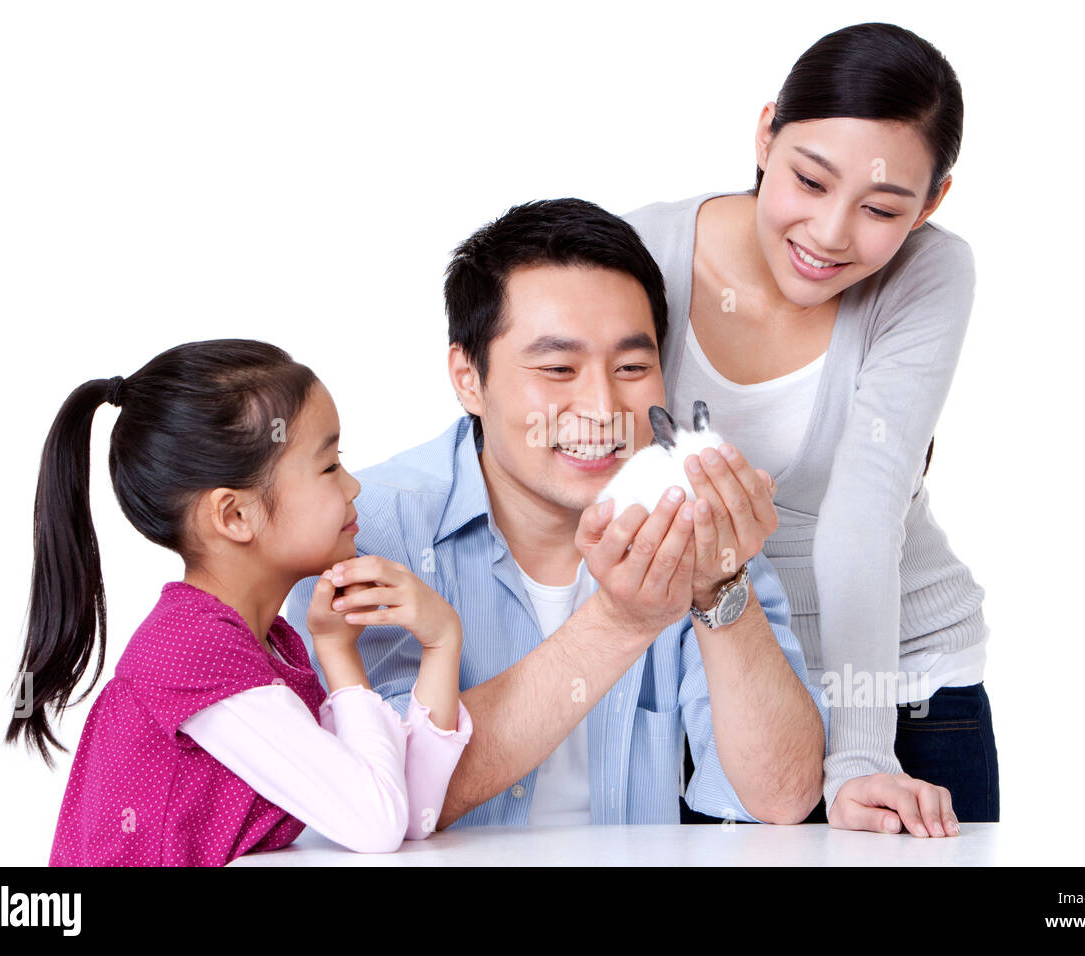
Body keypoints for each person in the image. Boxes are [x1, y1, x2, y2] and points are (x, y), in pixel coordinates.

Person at [287, 198, 829, 828]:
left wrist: (720, 588)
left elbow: (782, 796)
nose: (602, 407)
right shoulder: (361, 526)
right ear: (468, 377)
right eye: (556, 368)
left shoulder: (692, 512)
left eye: (632, 367)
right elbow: (378, 800)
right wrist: (621, 624)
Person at [621, 21, 997, 836]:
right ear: (766, 135)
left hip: (906, 693)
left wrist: (862, 757)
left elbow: (865, 508)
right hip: (719, 679)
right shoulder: (642, 252)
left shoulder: (930, 273)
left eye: (881, 208)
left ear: (931, 203)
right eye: (810, 180)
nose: (829, 236)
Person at [7, 339, 471, 865]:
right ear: (234, 517)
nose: (354, 485)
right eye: (328, 466)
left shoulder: (268, 644)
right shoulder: (194, 654)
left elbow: (409, 815)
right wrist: (342, 661)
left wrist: (439, 642)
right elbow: (379, 820)